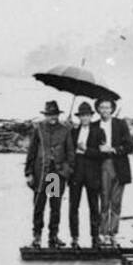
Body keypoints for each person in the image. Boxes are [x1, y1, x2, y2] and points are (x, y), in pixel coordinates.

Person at [25, 100, 76, 248]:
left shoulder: (65, 130)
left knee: (55, 207)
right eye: (49, 114)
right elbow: (32, 152)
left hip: (55, 175)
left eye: (54, 114)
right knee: (38, 206)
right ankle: (37, 236)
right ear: (45, 115)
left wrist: (67, 171)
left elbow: (70, 153)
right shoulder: (39, 129)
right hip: (41, 174)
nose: (52, 117)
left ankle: (53, 236)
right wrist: (28, 172)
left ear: (58, 115)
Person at [95, 98, 132, 246]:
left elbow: (129, 146)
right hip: (102, 165)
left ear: (112, 109)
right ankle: (102, 232)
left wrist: (114, 149)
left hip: (119, 166)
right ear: (98, 109)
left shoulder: (120, 124)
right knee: (104, 201)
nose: (104, 110)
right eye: (102, 107)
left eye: (107, 107)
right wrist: (98, 149)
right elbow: (90, 146)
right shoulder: (94, 125)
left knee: (116, 202)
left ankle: (113, 233)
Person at [68, 101, 103, 247]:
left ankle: (95, 237)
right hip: (75, 174)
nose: (84, 118)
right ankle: (74, 238)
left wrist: (85, 149)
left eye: (87, 116)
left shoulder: (99, 132)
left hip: (92, 175)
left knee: (94, 207)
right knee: (73, 207)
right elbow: (67, 151)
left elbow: (102, 154)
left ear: (91, 116)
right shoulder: (73, 132)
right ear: (79, 117)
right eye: (82, 116)